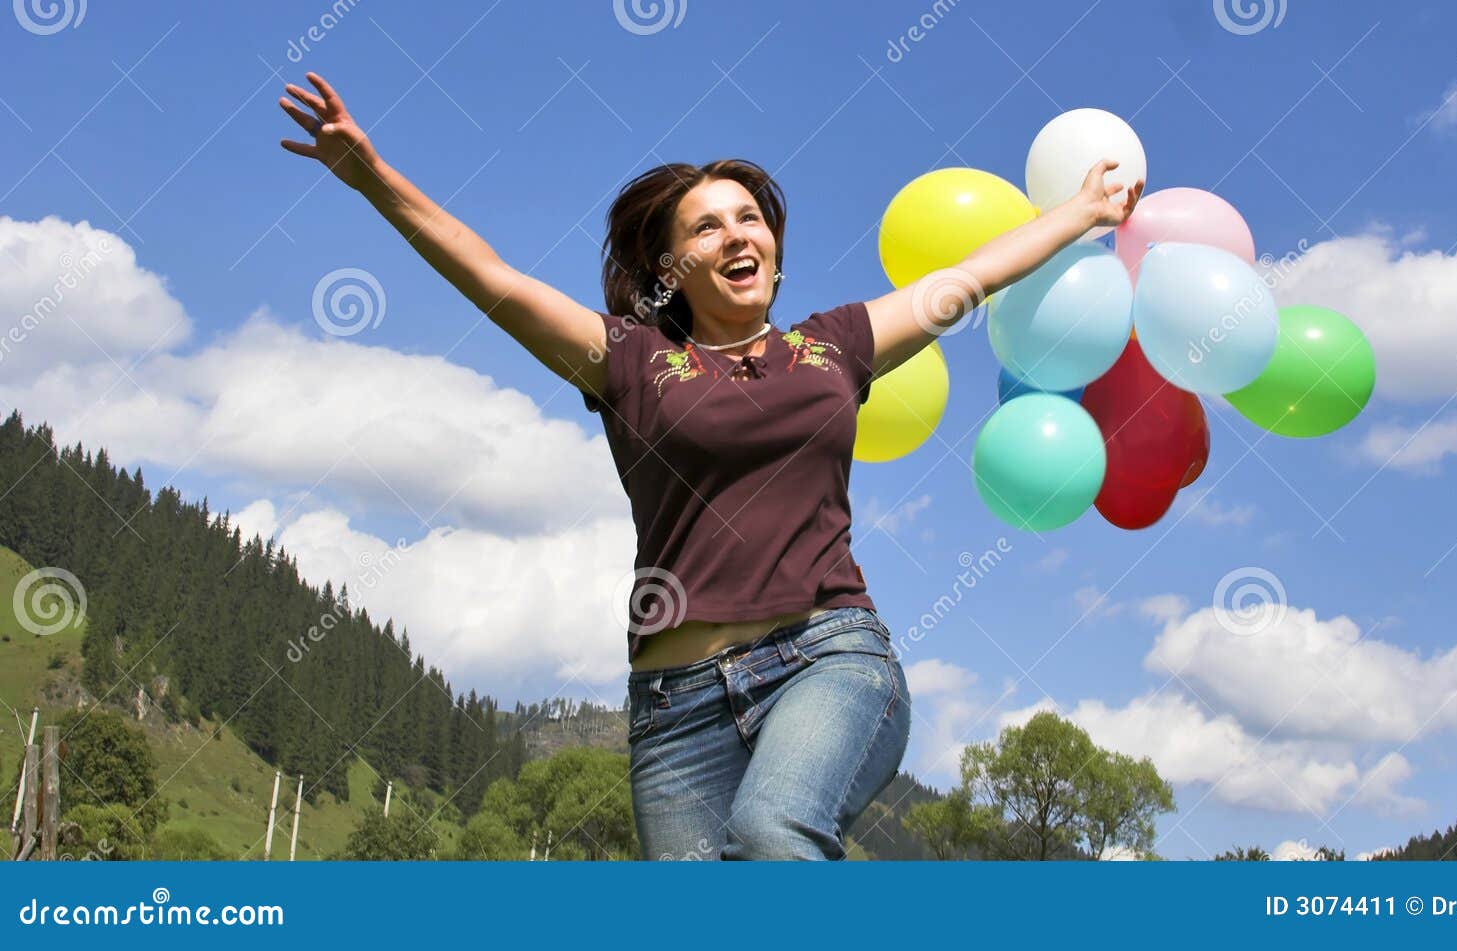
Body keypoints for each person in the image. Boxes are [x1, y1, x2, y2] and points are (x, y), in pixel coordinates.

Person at [277, 71, 1142, 860]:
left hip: (826, 658)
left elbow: (971, 274)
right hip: (673, 705)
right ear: (670, 268)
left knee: (773, 830)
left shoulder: (834, 346)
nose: (736, 234)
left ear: (774, 250)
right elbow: (492, 278)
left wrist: (1079, 214)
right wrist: (373, 178)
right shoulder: (628, 361)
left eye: (750, 218)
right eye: (707, 226)